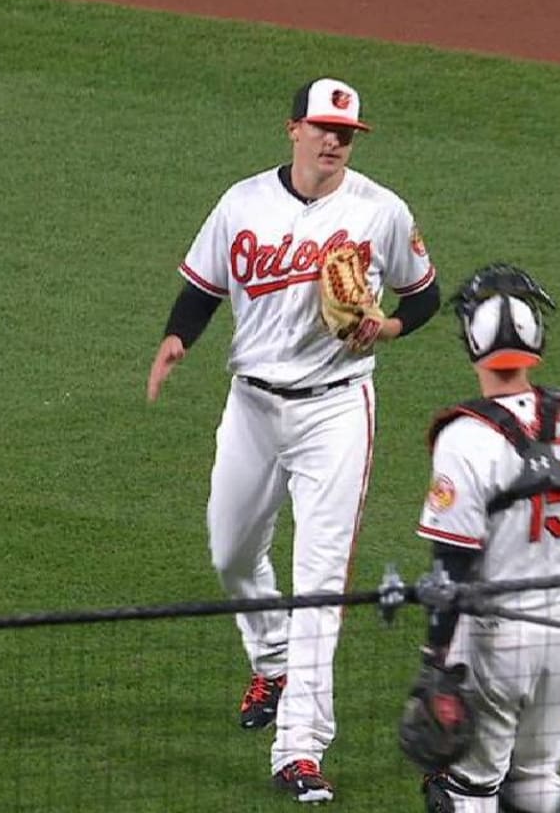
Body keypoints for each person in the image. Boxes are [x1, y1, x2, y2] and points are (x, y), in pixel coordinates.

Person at [146, 77, 440, 803]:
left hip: (336, 413)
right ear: (293, 129)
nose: (335, 141)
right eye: (322, 128)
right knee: (231, 552)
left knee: (319, 587)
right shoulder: (242, 201)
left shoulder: (380, 210)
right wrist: (176, 340)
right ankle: (270, 660)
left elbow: (425, 293)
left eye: (347, 132)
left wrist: (389, 327)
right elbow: (202, 287)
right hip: (251, 406)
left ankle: (299, 749)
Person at [410, 264, 560, 813]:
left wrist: (434, 660)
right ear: (538, 342)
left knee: (468, 786)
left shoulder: (464, 438)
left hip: (497, 632)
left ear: (472, 343)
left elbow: (452, 564)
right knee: (538, 781)